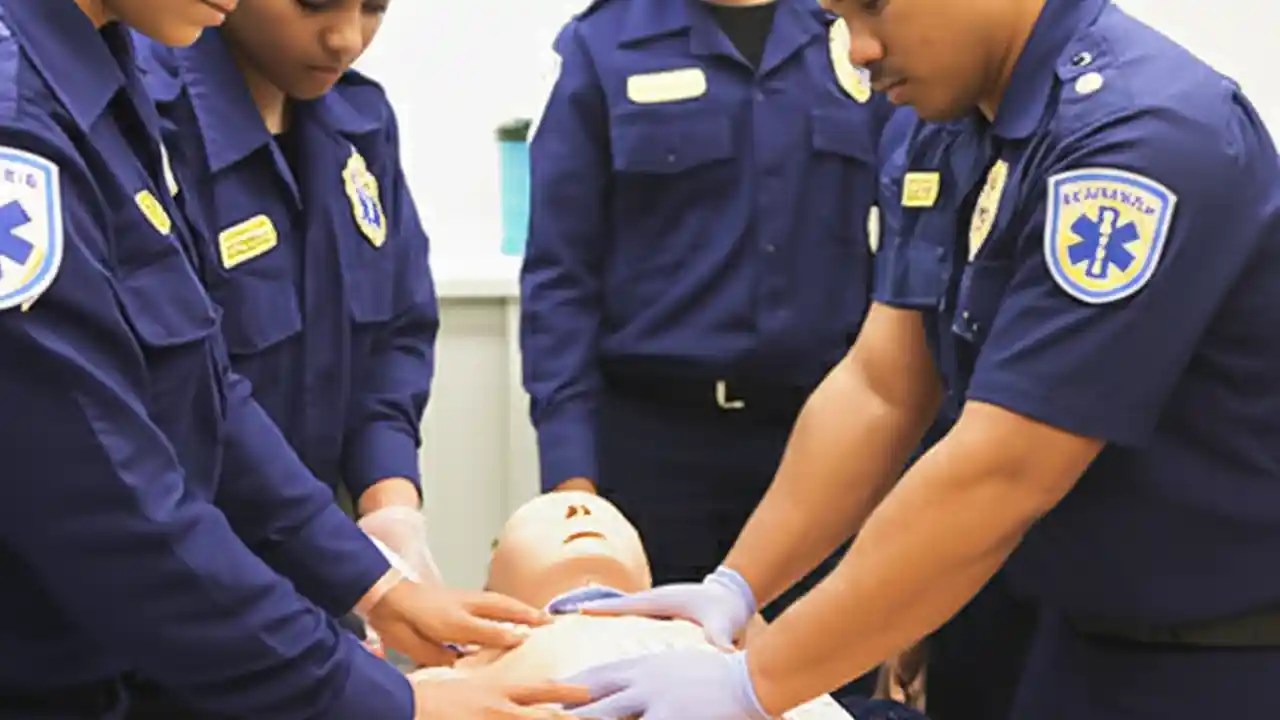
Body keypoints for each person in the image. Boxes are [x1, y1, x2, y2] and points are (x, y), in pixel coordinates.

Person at [554, 0, 1280, 718]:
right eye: (838, 16)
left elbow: (1005, 468)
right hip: (1073, 631)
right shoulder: (947, 133)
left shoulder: (1142, 138)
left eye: (873, 8)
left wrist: (757, 682)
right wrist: (737, 586)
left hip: (1218, 655)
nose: (857, 49)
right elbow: (881, 389)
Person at [0, 1, 586, 718]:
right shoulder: (18, 122)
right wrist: (383, 700)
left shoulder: (101, 67)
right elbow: (104, 499)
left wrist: (377, 582)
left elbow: (201, 381)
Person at [521, 0, 894, 700]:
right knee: (645, 684)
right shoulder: (606, 44)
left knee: (826, 689)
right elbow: (559, 277)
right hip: (654, 448)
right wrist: (574, 483)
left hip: (821, 443)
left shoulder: (854, 33)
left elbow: (912, 247)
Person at [133, 0, 438, 576]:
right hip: (186, 564)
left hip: (322, 556)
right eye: (314, 3)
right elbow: (183, 395)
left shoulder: (360, 123)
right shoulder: (145, 122)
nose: (346, 38)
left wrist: (389, 503)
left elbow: (398, 332)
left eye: (374, 7)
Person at [409, 491, 926, 720]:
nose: (575, 507)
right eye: (546, 516)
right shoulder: (469, 666)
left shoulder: (723, 630)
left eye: (602, 512)